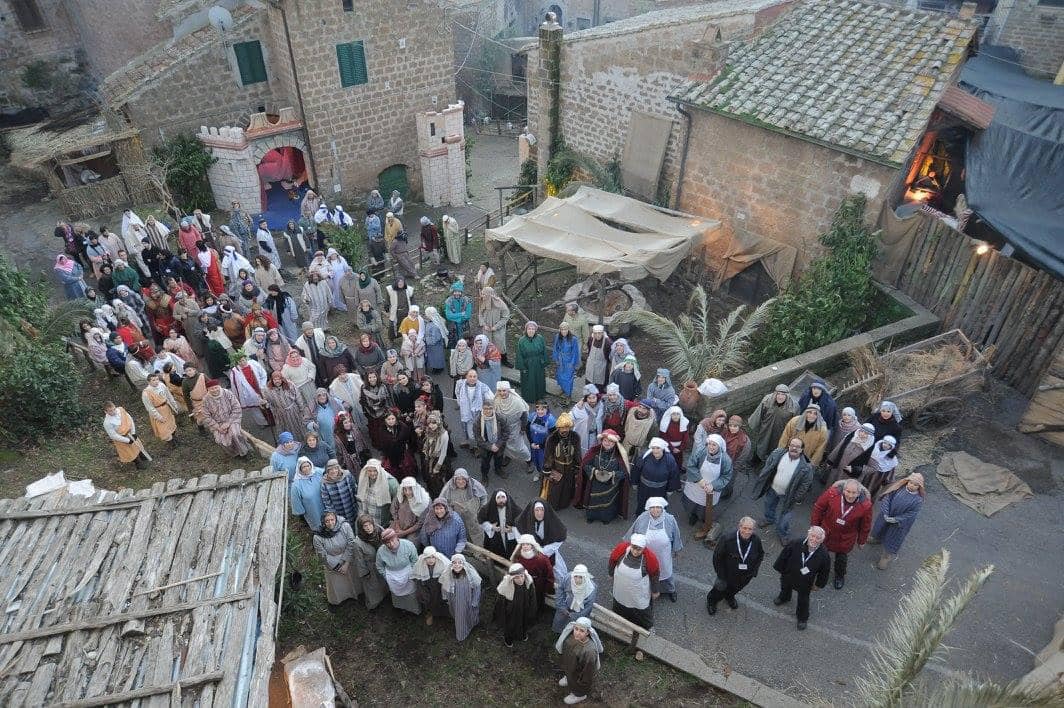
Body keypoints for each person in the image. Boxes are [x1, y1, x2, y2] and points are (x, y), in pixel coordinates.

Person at [812, 479, 873, 589]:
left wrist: (862, 541)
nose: (850, 495)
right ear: (843, 489)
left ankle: (840, 575)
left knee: (841, 559)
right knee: (819, 553)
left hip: (845, 538)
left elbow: (865, 525)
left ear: (859, 493)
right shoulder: (832, 494)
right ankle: (816, 570)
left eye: (854, 493)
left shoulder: (865, 505)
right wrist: (814, 527)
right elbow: (818, 508)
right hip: (826, 532)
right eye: (848, 491)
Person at [754, 437, 814, 543]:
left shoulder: (806, 467)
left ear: (802, 449)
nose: (794, 448)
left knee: (785, 518)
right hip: (773, 489)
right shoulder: (778, 454)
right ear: (788, 446)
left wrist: (796, 497)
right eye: (792, 445)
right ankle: (769, 519)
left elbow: (805, 485)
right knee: (769, 505)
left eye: (797, 447)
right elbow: (768, 465)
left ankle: (783, 533)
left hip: (788, 496)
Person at [773, 526, 831, 630]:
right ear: (808, 535)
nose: (814, 539)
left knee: (803, 599)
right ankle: (784, 597)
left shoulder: (824, 554)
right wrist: (779, 568)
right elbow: (784, 555)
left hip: (806, 581)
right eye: (812, 536)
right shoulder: (796, 543)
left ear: (822, 540)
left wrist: (818, 584)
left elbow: (824, 572)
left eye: (818, 538)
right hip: (789, 573)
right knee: (785, 587)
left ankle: (802, 617)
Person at [626, 497, 683, 602]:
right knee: (648, 573)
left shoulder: (670, 519)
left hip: (663, 554)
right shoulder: (642, 518)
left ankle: (670, 590)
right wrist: (628, 547)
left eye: (658, 507)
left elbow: (676, 536)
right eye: (652, 507)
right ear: (648, 508)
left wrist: (676, 550)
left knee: (666, 572)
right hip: (646, 555)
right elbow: (632, 533)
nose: (655, 510)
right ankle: (649, 590)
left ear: (662, 508)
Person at [707, 517, 764, 614]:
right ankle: (711, 602)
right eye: (744, 528)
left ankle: (729, 597)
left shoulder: (756, 540)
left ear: (753, 530)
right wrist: (721, 575)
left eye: (750, 529)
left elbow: (760, 555)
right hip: (726, 575)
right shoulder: (727, 539)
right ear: (739, 527)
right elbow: (717, 557)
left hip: (744, 576)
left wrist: (753, 572)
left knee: (735, 589)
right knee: (719, 589)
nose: (747, 531)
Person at [870, 472, 925, 570]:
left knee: (893, 537)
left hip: (899, 522)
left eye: (915, 485)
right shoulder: (898, 488)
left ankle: (886, 557)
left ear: (919, 487)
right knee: (880, 527)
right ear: (907, 482)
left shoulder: (918, 500)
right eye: (911, 483)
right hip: (887, 515)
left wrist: (896, 519)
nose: (912, 486)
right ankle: (876, 539)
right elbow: (888, 499)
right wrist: (886, 513)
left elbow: (911, 514)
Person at [577, 430, 630, 524]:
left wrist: (612, 474)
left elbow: (624, 473)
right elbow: (585, 465)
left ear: (614, 443)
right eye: (605, 440)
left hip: (610, 486)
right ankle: (591, 516)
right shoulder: (594, 452)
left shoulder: (619, 456)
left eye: (610, 441)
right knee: (593, 500)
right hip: (595, 484)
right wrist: (595, 471)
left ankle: (606, 518)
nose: (607, 443)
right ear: (601, 441)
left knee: (608, 503)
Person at [607, 534, 659, 629]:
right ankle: (618, 618)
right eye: (634, 548)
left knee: (641, 609)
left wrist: (655, 591)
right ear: (631, 545)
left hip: (638, 591)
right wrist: (610, 573)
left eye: (639, 549)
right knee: (619, 603)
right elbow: (612, 560)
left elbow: (655, 575)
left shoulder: (650, 558)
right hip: (621, 588)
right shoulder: (621, 549)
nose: (635, 552)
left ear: (643, 548)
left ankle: (648, 627)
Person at [313, 511, 359, 605]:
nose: (330, 523)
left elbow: (351, 543)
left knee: (354, 579)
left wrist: (346, 563)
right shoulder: (318, 537)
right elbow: (322, 555)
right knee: (338, 585)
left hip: (348, 558)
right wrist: (337, 566)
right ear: (323, 522)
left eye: (332, 520)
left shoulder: (345, 526)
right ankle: (340, 599)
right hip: (332, 564)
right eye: (327, 521)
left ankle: (357, 592)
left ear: (336, 519)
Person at [555, 617, 604, 705]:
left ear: (588, 632)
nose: (577, 633)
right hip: (570, 667)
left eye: (582, 631)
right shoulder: (571, 636)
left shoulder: (589, 651)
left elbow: (588, 672)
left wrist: (583, 681)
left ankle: (579, 695)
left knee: (578, 681)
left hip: (579, 673)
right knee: (570, 673)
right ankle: (568, 678)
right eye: (576, 629)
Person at [747, 384, 800, 461]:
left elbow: (795, 422)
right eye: (778, 394)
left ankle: (772, 461)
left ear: (787, 396)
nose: (780, 397)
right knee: (762, 444)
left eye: (783, 394)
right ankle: (756, 460)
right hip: (766, 428)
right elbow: (759, 413)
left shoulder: (794, 406)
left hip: (781, 431)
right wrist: (754, 424)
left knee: (776, 446)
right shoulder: (767, 400)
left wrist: (793, 436)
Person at [201, 380, 252, 458]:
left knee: (234, 434)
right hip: (218, 424)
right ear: (208, 389)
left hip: (232, 419)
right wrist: (218, 427)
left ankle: (245, 452)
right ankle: (235, 454)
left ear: (219, 386)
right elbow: (206, 416)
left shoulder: (227, 393)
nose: (214, 390)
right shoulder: (205, 399)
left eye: (216, 387)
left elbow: (236, 408)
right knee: (219, 440)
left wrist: (228, 423)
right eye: (211, 389)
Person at [375, 528, 421, 614]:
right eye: (388, 543)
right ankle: (400, 608)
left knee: (411, 594)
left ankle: (414, 610)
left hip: (408, 573)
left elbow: (415, 560)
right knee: (397, 595)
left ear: (396, 537)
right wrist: (386, 576)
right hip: (392, 576)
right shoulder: (381, 551)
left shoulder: (408, 545)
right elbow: (379, 566)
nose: (391, 544)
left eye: (392, 540)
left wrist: (411, 573)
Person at [630, 437, 681, 513]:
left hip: (660, 490)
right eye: (653, 448)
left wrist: (670, 489)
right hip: (644, 489)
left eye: (658, 448)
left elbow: (674, 475)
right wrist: (634, 482)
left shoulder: (670, 460)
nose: (655, 450)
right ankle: (641, 517)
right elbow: (636, 470)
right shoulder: (644, 457)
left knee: (657, 506)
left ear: (663, 448)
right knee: (642, 504)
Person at [441, 469, 488, 546]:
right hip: (458, 515)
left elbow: (484, 497)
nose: (461, 481)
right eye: (458, 479)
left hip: (473, 515)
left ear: (467, 479)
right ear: (454, 479)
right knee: (463, 530)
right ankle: (467, 546)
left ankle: (479, 550)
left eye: (463, 479)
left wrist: (481, 510)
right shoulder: (448, 488)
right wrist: (449, 513)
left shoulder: (474, 484)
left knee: (476, 531)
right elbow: (442, 502)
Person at [495, 563, 538, 647]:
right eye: (517, 577)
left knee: (524, 622)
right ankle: (509, 639)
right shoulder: (506, 587)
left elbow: (532, 599)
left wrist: (532, 610)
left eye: (522, 576)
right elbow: (501, 605)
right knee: (511, 625)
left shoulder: (528, 584)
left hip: (524, 609)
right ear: (512, 578)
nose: (521, 579)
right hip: (512, 613)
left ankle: (522, 635)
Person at [510, 534, 555, 613]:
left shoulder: (541, 558)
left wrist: (548, 588)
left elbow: (549, 574)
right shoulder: (518, 556)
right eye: (523, 544)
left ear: (532, 545)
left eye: (528, 544)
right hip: (522, 583)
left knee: (536, 601)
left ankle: (536, 614)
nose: (525, 546)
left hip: (537, 585)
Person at [440, 553, 481, 640]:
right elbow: (445, 587)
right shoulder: (448, 574)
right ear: (451, 564)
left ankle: (468, 628)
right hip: (455, 601)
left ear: (464, 564)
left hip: (468, 599)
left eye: (460, 562)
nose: (457, 565)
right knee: (459, 617)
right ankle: (461, 632)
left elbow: (477, 587)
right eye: (455, 563)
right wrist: (446, 597)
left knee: (469, 613)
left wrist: (475, 601)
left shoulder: (470, 574)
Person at [353, 514, 389, 609]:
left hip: (382, 563)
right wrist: (365, 573)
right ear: (361, 528)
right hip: (371, 567)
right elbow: (359, 560)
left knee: (384, 583)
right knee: (373, 587)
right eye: (365, 526)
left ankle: (385, 595)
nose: (368, 528)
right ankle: (373, 604)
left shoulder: (379, 530)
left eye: (370, 525)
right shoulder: (358, 542)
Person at [103, 402, 151, 469]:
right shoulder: (107, 423)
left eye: (114, 409)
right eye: (110, 411)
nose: (114, 412)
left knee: (137, 445)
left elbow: (129, 419)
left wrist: (133, 432)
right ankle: (138, 463)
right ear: (106, 412)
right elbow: (113, 435)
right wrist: (127, 440)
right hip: (122, 438)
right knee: (130, 452)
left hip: (130, 433)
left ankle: (142, 455)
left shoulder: (120, 410)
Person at [414, 546, 451, 627]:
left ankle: (442, 614)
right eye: (428, 558)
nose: (431, 560)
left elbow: (448, 574)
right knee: (427, 600)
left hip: (438, 586)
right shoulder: (420, 564)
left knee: (440, 599)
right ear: (424, 558)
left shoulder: (442, 562)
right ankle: (430, 615)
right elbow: (419, 580)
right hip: (427, 586)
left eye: (433, 557)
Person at [473, 399, 510, 482]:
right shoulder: (477, 421)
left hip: (499, 446)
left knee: (499, 459)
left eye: (490, 408)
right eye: (485, 408)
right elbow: (478, 438)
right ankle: (484, 476)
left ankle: (498, 470)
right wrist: (490, 447)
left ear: (494, 409)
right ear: (482, 409)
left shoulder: (500, 418)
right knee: (485, 463)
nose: (488, 411)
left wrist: (497, 445)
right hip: (485, 447)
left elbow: (506, 432)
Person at [552, 564, 596, 632]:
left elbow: (588, 607)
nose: (577, 579)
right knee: (559, 621)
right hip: (566, 605)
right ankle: (558, 632)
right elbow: (560, 589)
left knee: (576, 627)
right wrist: (561, 606)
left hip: (580, 611)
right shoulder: (568, 578)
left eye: (581, 577)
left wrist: (575, 616)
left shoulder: (591, 588)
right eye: (575, 576)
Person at [478, 489, 521, 558]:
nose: (501, 500)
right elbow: (481, 520)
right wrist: (491, 527)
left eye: (503, 497)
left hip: (510, 537)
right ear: (495, 499)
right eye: (498, 498)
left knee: (511, 551)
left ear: (506, 498)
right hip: (495, 537)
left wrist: (513, 529)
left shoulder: (515, 510)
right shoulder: (487, 509)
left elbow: (521, 524)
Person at [228, 354, 268, 427]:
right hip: (248, 394)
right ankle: (262, 423)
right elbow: (234, 386)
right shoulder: (235, 371)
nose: (242, 363)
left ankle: (272, 420)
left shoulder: (253, 364)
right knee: (255, 409)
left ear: (246, 359)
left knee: (267, 404)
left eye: (243, 360)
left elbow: (263, 374)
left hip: (260, 388)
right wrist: (237, 397)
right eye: (239, 361)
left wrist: (262, 385)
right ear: (237, 362)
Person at [357, 459, 399, 526]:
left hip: (382, 520)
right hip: (366, 516)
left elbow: (397, 502)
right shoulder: (364, 479)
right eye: (369, 471)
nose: (372, 473)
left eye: (375, 471)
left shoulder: (391, 483)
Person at [141, 372, 179, 444]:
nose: (156, 382)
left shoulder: (161, 385)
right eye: (153, 380)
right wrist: (159, 417)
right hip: (158, 411)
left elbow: (169, 396)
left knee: (171, 424)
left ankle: (174, 438)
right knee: (163, 429)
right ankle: (172, 443)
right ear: (149, 382)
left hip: (166, 408)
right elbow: (149, 407)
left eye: (157, 379)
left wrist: (174, 405)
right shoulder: (146, 393)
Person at [516, 321, 549, 403]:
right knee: (528, 381)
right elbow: (519, 355)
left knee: (539, 379)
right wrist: (522, 367)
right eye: (529, 329)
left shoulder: (540, 338)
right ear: (526, 330)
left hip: (538, 363)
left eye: (533, 329)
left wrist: (544, 362)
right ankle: (529, 397)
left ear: (535, 330)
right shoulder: (522, 340)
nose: (531, 330)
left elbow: (544, 351)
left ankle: (540, 395)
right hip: (528, 364)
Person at [290, 457, 326, 531]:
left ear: (311, 465)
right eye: (303, 467)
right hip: (312, 510)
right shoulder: (296, 485)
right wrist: (300, 512)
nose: (306, 468)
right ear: (300, 469)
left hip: (326, 505)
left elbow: (329, 473)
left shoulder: (318, 472)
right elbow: (296, 501)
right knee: (319, 527)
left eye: (308, 466)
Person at [391, 476, 430, 541]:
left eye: (410, 489)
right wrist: (397, 525)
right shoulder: (400, 496)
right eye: (405, 489)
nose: (407, 492)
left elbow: (420, 523)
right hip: (398, 524)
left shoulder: (423, 501)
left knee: (410, 544)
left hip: (414, 530)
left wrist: (403, 533)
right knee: (389, 538)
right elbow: (394, 509)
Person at [571, 384, 604, 458]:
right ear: (586, 398)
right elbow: (570, 416)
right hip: (583, 435)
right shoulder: (580, 407)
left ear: (597, 397)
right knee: (583, 452)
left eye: (593, 397)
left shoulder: (601, 406)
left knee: (593, 452)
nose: (592, 400)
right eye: (589, 398)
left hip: (595, 435)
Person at [478, 286, 510, 360]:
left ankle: (504, 359)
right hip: (487, 329)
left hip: (498, 329)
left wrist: (496, 326)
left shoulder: (500, 304)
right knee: (488, 344)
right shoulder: (482, 302)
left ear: (489, 294)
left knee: (500, 344)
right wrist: (483, 324)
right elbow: (480, 315)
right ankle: (490, 360)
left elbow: (505, 317)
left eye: (484, 294)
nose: (482, 296)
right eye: (482, 294)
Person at [422, 306, 448, 374]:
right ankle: (435, 367)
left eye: (427, 314)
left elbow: (435, 337)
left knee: (437, 358)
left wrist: (427, 341)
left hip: (435, 345)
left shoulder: (434, 326)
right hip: (432, 345)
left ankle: (439, 368)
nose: (426, 316)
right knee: (433, 358)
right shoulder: (431, 322)